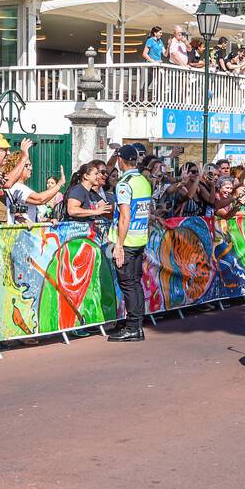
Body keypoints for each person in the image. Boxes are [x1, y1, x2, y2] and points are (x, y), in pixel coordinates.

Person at [109, 145, 151, 343]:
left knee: (128, 284)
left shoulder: (124, 183)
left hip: (128, 240)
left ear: (120, 160)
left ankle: (133, 327)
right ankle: (135, 324)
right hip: (140, 238)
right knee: (135, 283)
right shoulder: (143, 180)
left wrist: (119, 244)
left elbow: (125, 216)